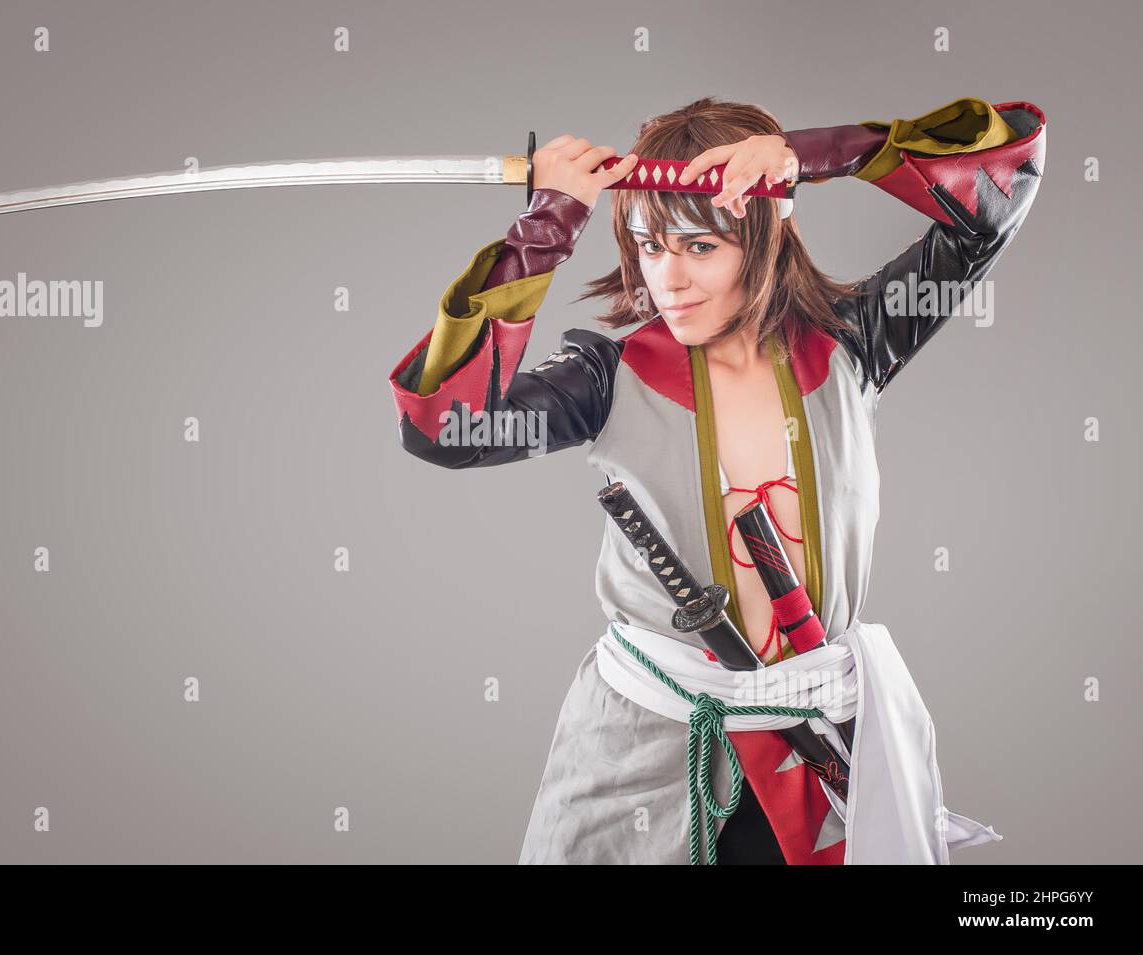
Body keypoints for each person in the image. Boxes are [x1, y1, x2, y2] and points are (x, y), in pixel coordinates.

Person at [387, 95, 1046, 864]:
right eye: (649, 243)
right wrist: (546, 228)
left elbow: (1005, 178)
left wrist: (817, 152)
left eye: (700, 247)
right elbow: (444, 429)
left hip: (814, 747)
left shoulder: (852, 344)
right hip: (640, 751)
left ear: (767, 231)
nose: (670, 279)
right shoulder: (606, 376)